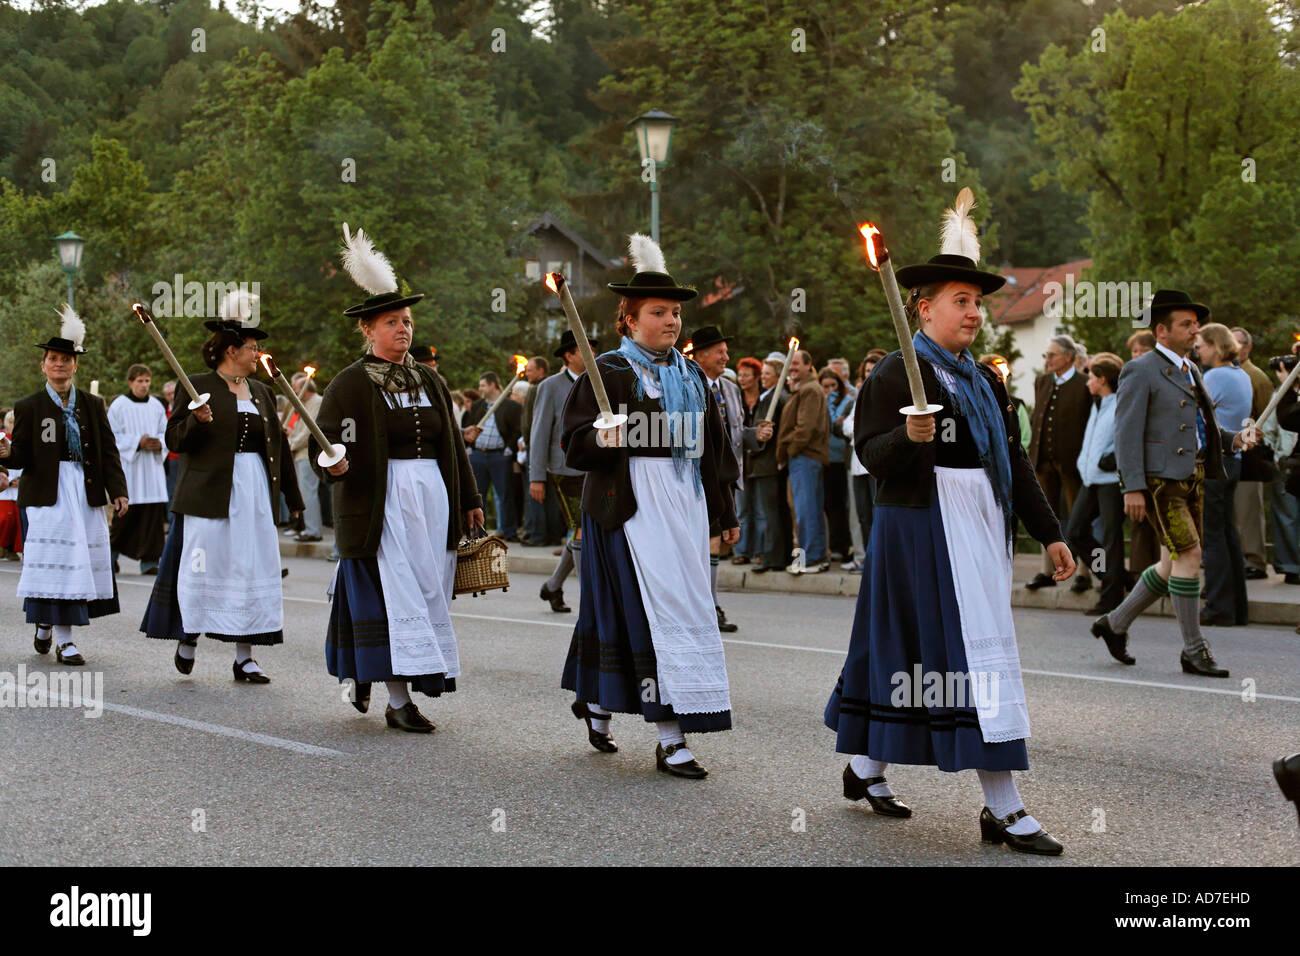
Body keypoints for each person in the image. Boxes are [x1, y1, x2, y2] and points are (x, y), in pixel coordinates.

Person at [825, 190, 1072, 854]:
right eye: (960, 301)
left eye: (978, 302)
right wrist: (909, 436)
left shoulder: (984, 380)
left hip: (978, 529)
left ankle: (865, 767)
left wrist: (1048, 531)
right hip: (920, 529)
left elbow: (1011, 458)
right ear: (923, 308)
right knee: (964, 663)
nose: (974, 311)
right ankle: (1004, 806)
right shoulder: (893, 375)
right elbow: (871, 457)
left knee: (913, 658)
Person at [561, 233, 739, 778]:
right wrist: (602, 439)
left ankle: (594, 698)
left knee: (668, 610)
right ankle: (670, 736)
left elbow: (713, 451)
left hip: (682, 503)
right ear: (629, 319)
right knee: (647, 615)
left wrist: (723, 513)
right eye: (658, 312)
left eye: (675, 313)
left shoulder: (692, 376)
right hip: (629, 506)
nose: (671, 321)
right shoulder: (608, 371)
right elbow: (573, 444)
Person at [312, 223, 484, 731]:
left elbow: (452, 444)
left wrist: (469, 498)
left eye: (406, 321)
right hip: (381, 502)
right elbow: (328, 445)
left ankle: (382, 679)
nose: (403, 329)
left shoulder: (430, 378)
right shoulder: (348, 384)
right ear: (368, 329)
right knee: (395, 592)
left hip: (431, 498)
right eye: (391, 322)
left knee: (427, 589)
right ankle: (398, 699)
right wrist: (334, 462)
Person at [140, 291, 302, 683]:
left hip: (254, 493)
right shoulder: (195, 385)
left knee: (249, 569)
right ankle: (188, 636)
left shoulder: (263, 393)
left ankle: (244, 656)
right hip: (210, 495)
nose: (256, 353)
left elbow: (276, 447)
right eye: (251, 347)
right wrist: (197, 419)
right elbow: (175, 441)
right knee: (202, 568)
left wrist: (293, 499)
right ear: (231, 350)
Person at [1092, 290, 1255, 676]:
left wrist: (1234, 439)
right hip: (1160, 482)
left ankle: (1113, 624)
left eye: (1196, 324)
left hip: (1193, 477)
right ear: (1161, 330)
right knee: (1190, 557)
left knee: (1170, 565)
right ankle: (1193, 650)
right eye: (1187, 324)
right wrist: (1132, 486)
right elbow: (1126, 432)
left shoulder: (1191, 369)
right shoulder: (1141, 369)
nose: (1195, 330)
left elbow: (1204, 427)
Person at [1, 307, 128, 665]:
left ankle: (51, 627)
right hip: (45, 494)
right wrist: (8, 452)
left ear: (75, 366)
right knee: (56, 562)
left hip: (84, 491)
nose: (59, 364)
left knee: (77, 561)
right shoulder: (30, 406)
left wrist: (118, 490)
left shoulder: (92, 404)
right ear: (43, 365)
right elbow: (21, 456)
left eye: (65, 359)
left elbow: (108, 450)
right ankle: (62, 638)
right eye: (53, 359)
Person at [687, 325, 751, 632]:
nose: (727, 356)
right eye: (720, 352)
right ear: (700, 356)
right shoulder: (689, 384)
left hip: (726, 476)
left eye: (726, 350)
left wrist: (756, 436)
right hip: (699, 474)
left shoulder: (731, 388)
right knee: (707, 541)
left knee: (717, 541)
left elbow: (734, 435)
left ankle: (708, 604)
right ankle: (707, 606)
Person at [531, 331, 597, 612]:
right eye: (585, 350)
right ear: (569, 355)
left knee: (584, 530)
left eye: (593, 349)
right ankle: (590, 599)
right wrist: (537, 476)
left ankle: (554, 586)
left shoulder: (599, 382)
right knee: (581, 529)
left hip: (594, 466)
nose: (592, 355)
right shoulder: (551, 386)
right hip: (563, 470)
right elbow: (540, 431)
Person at [1026, 334, 1092, 594]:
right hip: (1043, 460)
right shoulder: (1041, 381)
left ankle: (1085, 573)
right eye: (1047, 355)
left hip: (1073, 462)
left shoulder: (1085, 384)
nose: (1048, 360)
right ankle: (1046, 570)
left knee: (1079, 516)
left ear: (1069, 357)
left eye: (1052, 355)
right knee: (1046, 515)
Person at [1197, 323, 1253, 626]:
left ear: (1215, 345)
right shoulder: (1241, 375)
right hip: (1235, 459)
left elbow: (1197, 411)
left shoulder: (1215, 376)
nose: (1198, 351)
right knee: (1228, 532)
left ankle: (1218, 606)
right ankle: (1237, 606)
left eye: (1202, 345)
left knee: (1214, 535)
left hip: (1216, 460)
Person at [1065, 352, 1127, 616]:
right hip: (1091, 479)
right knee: (1076, 532)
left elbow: (1129, 438)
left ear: (1102, 379)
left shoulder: (1122, 404)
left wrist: (1110, 459)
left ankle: (1111, 597)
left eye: (1090, 375)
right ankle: (1115, 579)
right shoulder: (1097, 402)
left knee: (1113, 539)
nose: (1087, 380)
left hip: (1112, 481)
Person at [107, 364, 168, 575]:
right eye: (140, 381)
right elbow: (112, 436)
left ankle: (150, 561)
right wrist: (136, 442)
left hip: (152, 470)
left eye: (147, 381)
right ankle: (111, 556)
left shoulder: (157, 406)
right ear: (130, 382)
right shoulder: (119, 406)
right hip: (130, 469)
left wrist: (160, 443)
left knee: (152, 521)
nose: (144, 385)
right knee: (125, 518)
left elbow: (165, 431)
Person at [775, 349, 831, 573]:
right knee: (808, 508)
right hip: (803, 457)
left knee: (805, 510)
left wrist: (790, 450)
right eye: (790, 364)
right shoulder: (803, 390)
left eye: (797, 363)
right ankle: (815, 557)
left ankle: (812, 558)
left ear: (809, 366)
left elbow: (805, 428)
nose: (793, 368)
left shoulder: (809, 391)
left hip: (805, 457)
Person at [1230, 327, 1273, 579]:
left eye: (1237, 344)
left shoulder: (1256, 377)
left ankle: (1255, 560)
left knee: (1248, 509)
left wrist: (1251, 441)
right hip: (1229, 450)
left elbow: (1266, 416)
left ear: (1247, 347)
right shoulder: (1225, 373)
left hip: (1249, 451)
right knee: (1232, 510)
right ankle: (1237, 558)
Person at [463, 371, 521, 540]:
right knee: (478, 495)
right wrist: (469, 448)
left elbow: (517, 429)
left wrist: (508, 450)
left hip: (499, 455)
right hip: (478, 456)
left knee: (504, 494)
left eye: (482, 385)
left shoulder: (511, 406)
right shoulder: (478, 405)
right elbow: (469, 426)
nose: (480, 388)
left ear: (492, 385)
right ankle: (478, 533)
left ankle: (509, 531)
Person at [745, 359, 786, 573]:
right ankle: (770, 554)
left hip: (767, 462)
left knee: (770, 512)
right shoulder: (768, 396)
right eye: (764, 373)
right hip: (760, 463)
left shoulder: (776, 398)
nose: (764, 377)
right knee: (768, 511)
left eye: (768, 374)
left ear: (779, 376)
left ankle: (773, 556)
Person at [731, 356, 771, 565]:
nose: (742, 379)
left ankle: (760, 550)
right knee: (742, 508)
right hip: (741, 463)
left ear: (756, 377)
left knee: (760, 508)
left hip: (760, 461)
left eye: (746, 375)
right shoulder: (735, 399)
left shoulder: (765, 401)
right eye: (740, 375)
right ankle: (742, 550)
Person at [1263, 357, 1300, 584]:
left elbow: (1288, 417)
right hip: (1286, 460)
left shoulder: (1284, 395)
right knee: (1288, 516)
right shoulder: (1280, 394)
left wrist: (1288, 382)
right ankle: (1291, 565)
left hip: (1292, 461)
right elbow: (1271, 426)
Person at [820, 366, 855, 564]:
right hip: (826, 459)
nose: (830, 390)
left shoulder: (848, 403)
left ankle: (844, 546)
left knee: (842, 505)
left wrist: (836, 417)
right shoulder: (821, 403)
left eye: (833, 385)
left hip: (841, 458)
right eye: (825, 386)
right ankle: (834, 545)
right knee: (829, 504)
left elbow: (840, 428)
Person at [285, 371, 324, 543]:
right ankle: (308, 527)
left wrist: (292, 445)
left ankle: (313, 530)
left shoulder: (316, 402)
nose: (293, 392)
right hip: (301, 453)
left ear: (305, 389)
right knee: (304, 491)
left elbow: (310, 430)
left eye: (295, 389)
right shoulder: (306, 404)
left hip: (308, 453)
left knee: (308, 492)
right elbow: (299, 429)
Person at [518, 355, 550, 544]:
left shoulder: (538, 389)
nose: (526, 373)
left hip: (536, 447)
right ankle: (545, 532)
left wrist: (529, 442)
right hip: (535, 445)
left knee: (536, 492)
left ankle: (538, 533)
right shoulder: (541, 388)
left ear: (540, 370)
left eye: (530, 370)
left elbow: (533, 421)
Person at [0, 409, 21, 560]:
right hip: (5, 489)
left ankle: (10, 548)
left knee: (18, 520)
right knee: (7, 518)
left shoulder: (23, 441)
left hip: (19, 488)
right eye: (12, 422)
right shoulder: (2, 439)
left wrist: (20, 479)